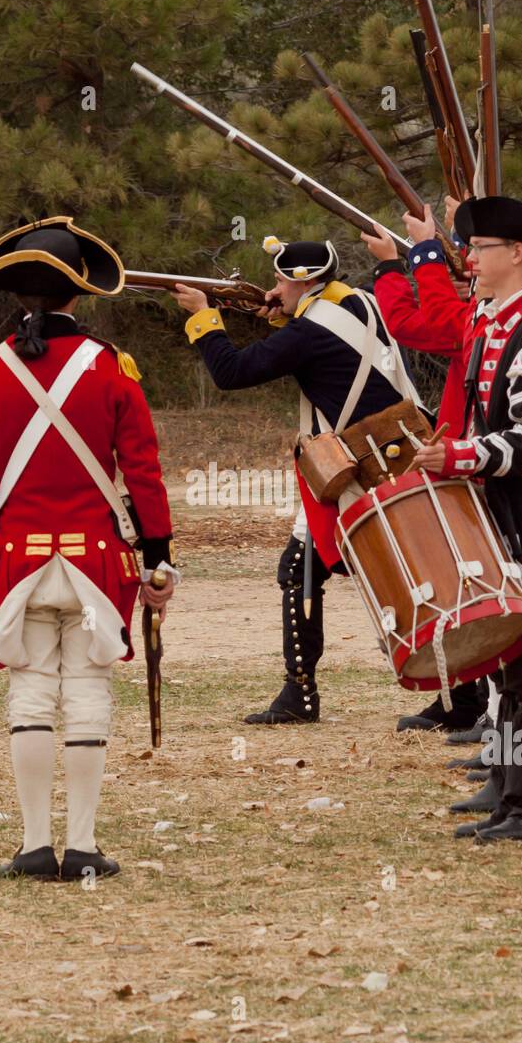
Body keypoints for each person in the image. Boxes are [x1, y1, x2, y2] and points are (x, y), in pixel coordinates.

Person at [0, 218, 176, 880]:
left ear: (20, 294)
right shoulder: (112, 368)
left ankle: (31, 846)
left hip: (17, 561)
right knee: (86, 693)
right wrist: (159, 560)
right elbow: (143, 473)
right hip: (95, 563)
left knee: (28, 695)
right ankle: (80, 846)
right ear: (79, 295)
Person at [174, 236, 420, 725]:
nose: (275, 287)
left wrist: (204, 315)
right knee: (304, 571)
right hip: (385, 455)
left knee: (403, 579)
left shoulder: (310, 330)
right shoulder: (357, 302)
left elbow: (231, 371)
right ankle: (299, 693)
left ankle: (304, 694)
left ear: (305, 281)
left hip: (362, 468)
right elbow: (326, 344)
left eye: (283, 279)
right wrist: (288, 311)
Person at [410, 194, 522, 842]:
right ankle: (514, 796)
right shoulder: (496, 318)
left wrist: (459, 454)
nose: (469, 260)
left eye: (480, 250)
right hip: (504, 517)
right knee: (511, 661)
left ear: (516, 253)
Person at [363, 206, 487, 735]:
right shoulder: (495, 307)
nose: (475, 261)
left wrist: (419, 256)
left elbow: (426, 323)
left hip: (486, 456)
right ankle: (473, 705)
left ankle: (517, 721)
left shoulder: (502, 312)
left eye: (480, 249)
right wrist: (437, 245)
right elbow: (421, 322)